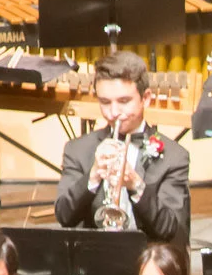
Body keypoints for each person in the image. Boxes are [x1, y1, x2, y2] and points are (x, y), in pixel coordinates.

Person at [54, 50, 191, 247]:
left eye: (124, 101)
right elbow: (64, 217)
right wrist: (92, 177)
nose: (114, 112)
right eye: (105, 102)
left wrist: (137, 185)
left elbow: (170, 228)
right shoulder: (77, 149)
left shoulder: (174, 156)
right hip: (95, 256)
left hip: (147, 260)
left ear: (146, 98)